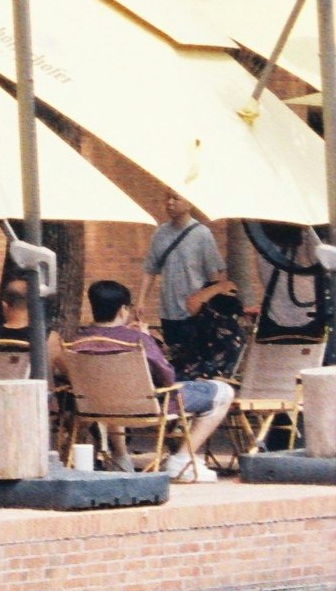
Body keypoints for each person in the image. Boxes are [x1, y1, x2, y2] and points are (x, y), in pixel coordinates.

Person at [60, 278, 235, 481]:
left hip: (96, 406)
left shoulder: (77, 342)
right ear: (123, 310)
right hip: (148, 405)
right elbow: (167, 376)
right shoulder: (138, 341)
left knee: (113, 390)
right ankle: (182, 459)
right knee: (223, 391)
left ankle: (121, 458)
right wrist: (147, 338)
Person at [147, 193, 242, 379]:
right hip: (169, 310)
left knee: (195, 351)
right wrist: (141, 301)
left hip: (197, 313)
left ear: (190, 203)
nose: (170, 203)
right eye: (167, 198)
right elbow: (150, 268)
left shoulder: (202, 234)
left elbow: (214, 273)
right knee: (177, 354)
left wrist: (213, 297)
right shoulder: (160, 233)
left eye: (176, 198)